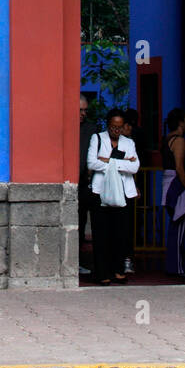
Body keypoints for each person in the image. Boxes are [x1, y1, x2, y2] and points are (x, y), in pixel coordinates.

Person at [87, 107, 140, 285]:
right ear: (108, 125)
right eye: (112, 127)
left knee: (121, 234)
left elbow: (135, 167)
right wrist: (122, 162)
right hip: (100, 192)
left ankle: (119, 270)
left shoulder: (129, 142)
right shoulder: (98, 138)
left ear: (124, 126)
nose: (115, 131)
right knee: (102, 234)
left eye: (119, 127)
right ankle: (103, 273)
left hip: (124, 194)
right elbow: (91, 162)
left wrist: (109, 161)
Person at [161, 108, 185, 279]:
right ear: (181, 122)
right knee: (179, 229)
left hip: (167, 185)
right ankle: (178, 267)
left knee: (176, 227)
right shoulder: (179, 140)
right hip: (177, 186)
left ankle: (175, 266)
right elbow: (180, 167)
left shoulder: (167, 139)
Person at [78, 94, 98, 277]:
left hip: (85, 183)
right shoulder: (66, 127)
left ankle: (79, 262)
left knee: (82, 222)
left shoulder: (91, 130)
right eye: (80, 110)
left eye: (85, 110)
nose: (83, 113)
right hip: (70, 182)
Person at [120, 109, 142, 276]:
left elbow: (134, 166)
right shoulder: (108, 141)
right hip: (113, 189)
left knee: (127, 226)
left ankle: (126, 259)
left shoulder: (130, 144)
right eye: (129, 125)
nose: (130, 129)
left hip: (127, 189)